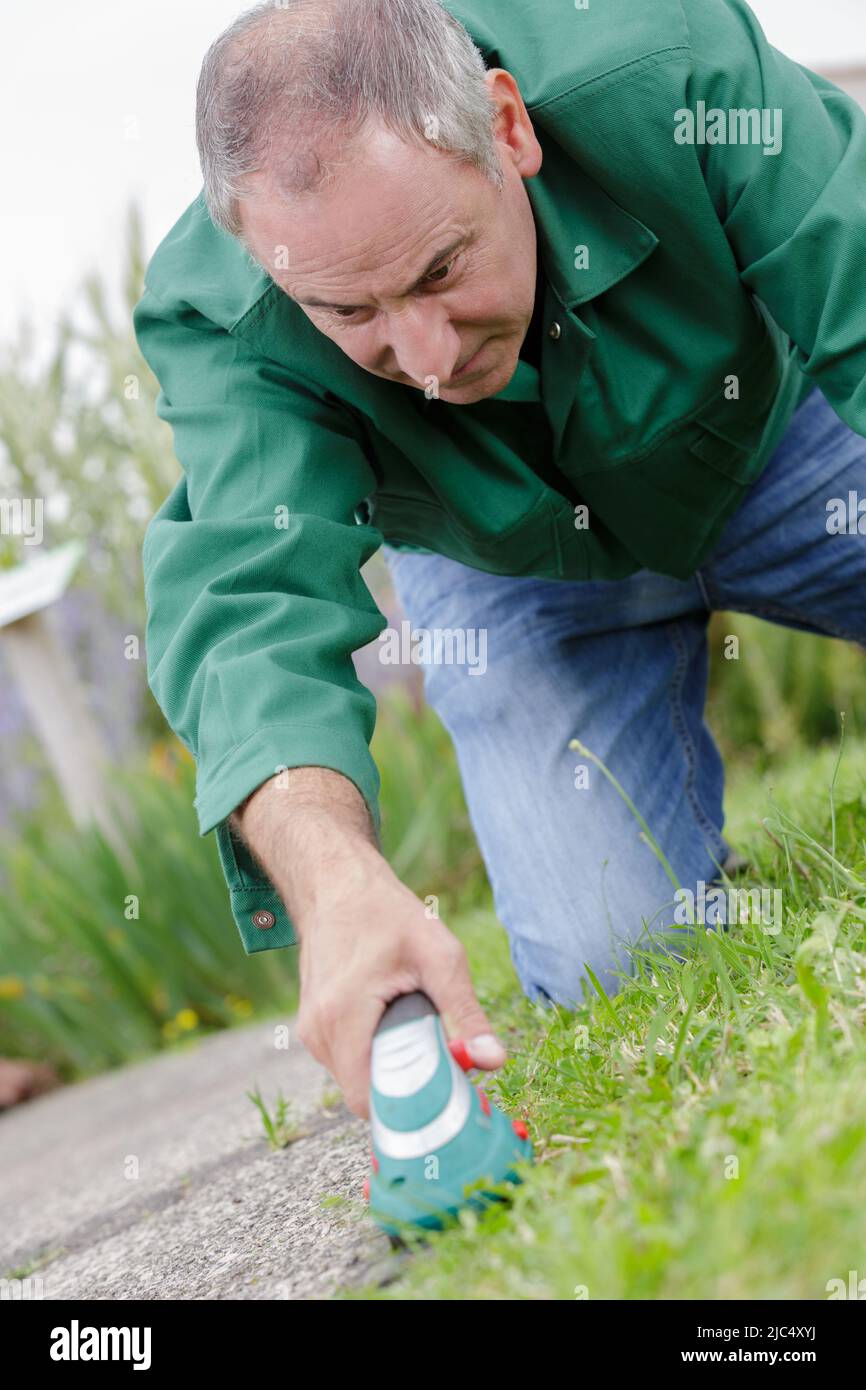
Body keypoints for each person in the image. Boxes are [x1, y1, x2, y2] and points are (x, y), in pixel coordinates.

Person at [134, 0, 866, 1119]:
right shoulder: (227, 310)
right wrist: (336, 889)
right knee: (612, 962)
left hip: (774, 454)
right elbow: (247, 604)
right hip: (519, 574)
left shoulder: (659, 57)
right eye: (349, 311)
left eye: (438, 270)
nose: (421, 359)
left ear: (506, 126)